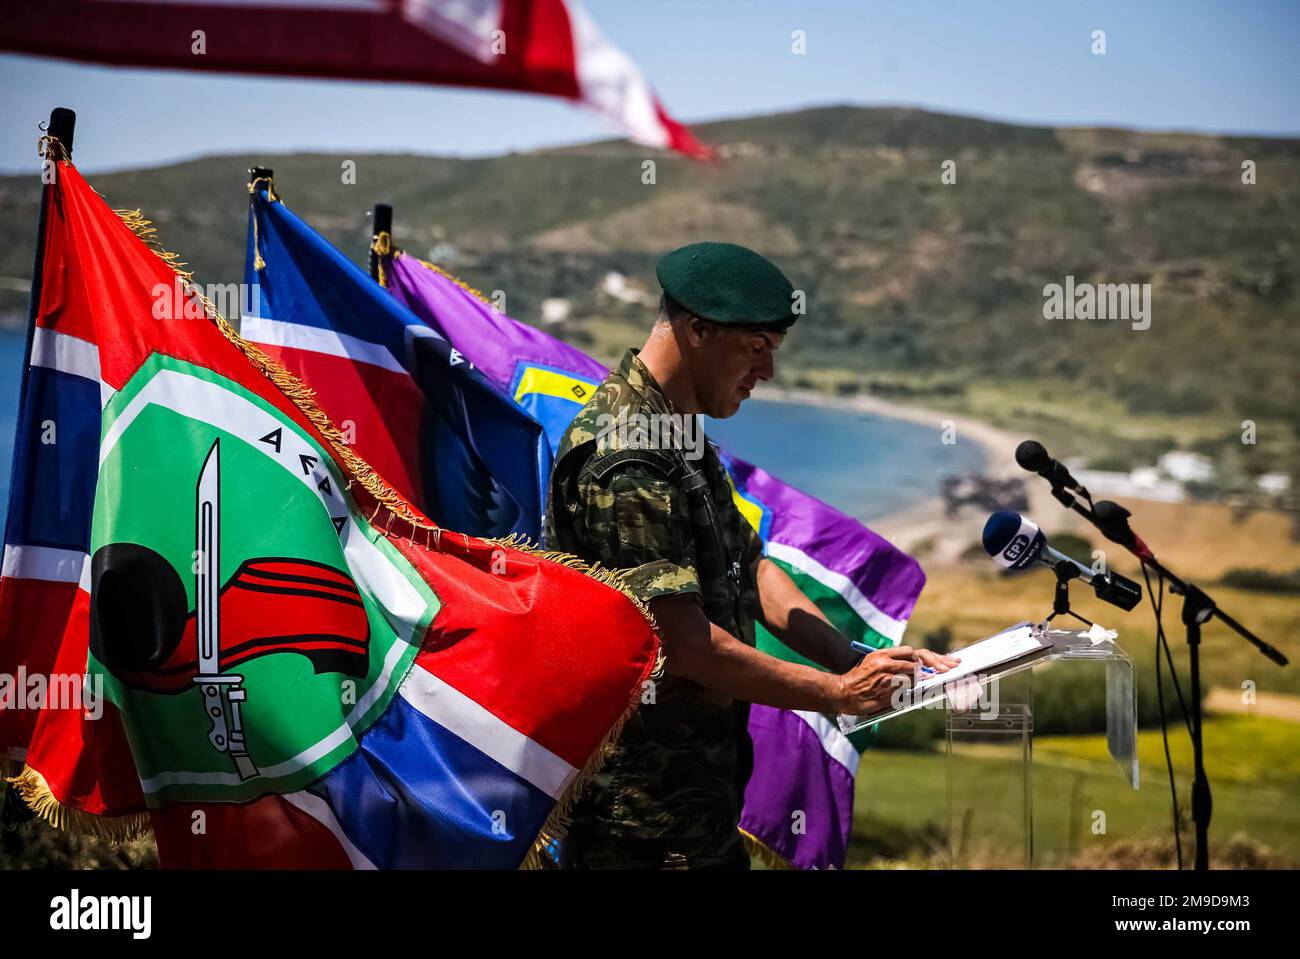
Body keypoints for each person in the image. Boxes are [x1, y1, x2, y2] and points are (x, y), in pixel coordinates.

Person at [543, 241, 957, 869]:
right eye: (755, 347)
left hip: (693, 803)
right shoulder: (627, 456)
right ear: (698, 330)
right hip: (641, 816)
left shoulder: (673, 428)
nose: (767, 372)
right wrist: (838, 693)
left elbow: (754, 566)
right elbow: (684, 644)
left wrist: (857, 658)